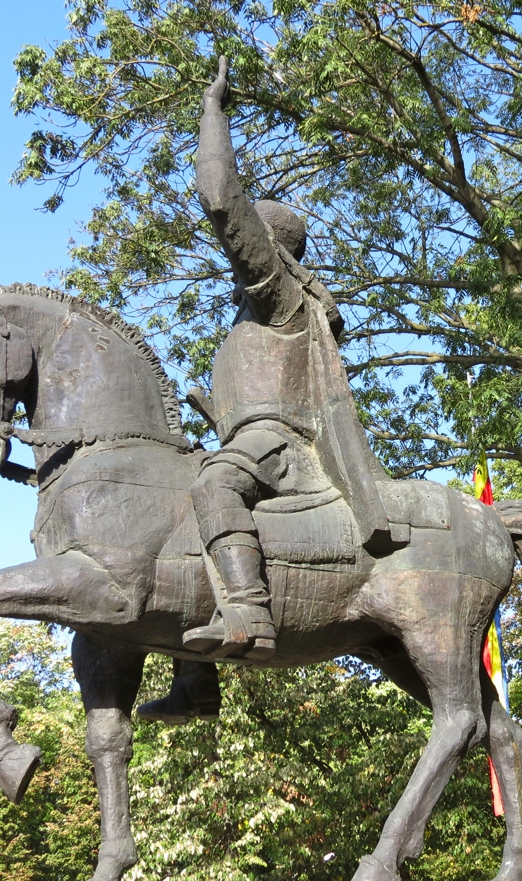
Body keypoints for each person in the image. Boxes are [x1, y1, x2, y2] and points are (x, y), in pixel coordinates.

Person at [182, 55, 401, 662]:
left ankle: (249, 613)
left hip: (280, 448)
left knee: (214, 486)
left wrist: (211, 110)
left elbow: (222, 198)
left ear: (267, 247)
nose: (234, 256)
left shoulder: (278, 292)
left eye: (247, 245)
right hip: (260, 437)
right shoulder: (254, 321)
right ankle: (191, 681)